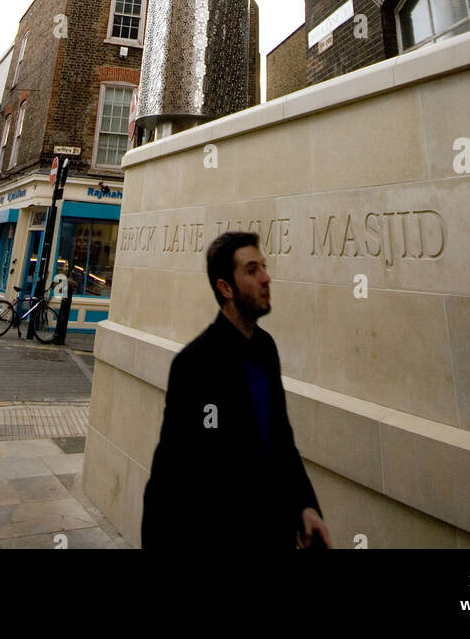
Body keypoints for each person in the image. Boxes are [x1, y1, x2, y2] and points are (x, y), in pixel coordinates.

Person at [141, 230, 331, 552]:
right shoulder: (195, 364)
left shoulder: (266, 348)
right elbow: (171, 474)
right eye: (252, 270)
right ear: (225, 288)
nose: (266, 278)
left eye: (264, 267)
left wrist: (305, 506)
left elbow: (281, 439)